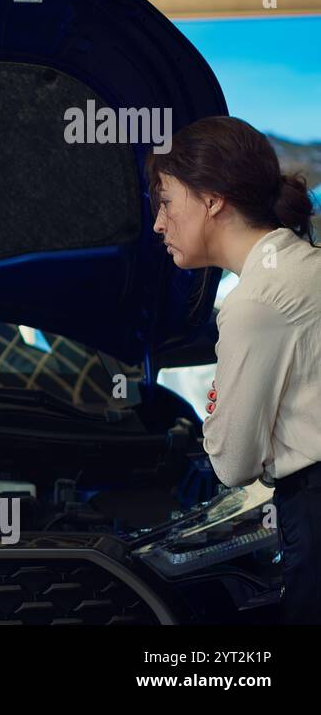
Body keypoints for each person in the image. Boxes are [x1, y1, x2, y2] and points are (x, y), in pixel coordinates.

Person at [149, 115, 320, 624]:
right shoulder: (306, 268)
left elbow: (232, 462)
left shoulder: (256, 302)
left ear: (212, 199)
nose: (158, 224)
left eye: (165, 201)